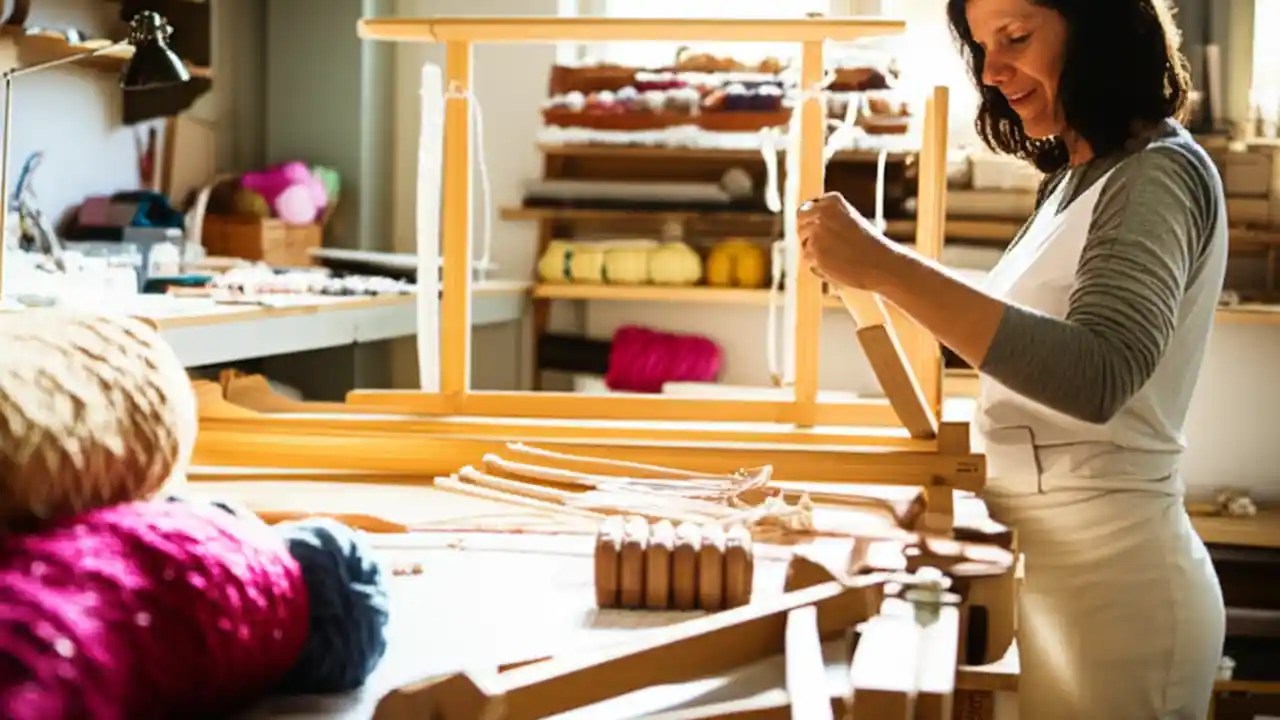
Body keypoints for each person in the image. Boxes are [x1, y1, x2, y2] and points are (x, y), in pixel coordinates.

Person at [798, 0, 1228, 717]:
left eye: (1017, 37)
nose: (994, 70)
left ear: (1096, 23)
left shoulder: (1155, 176)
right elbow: (1020, 354)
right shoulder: (1074, 180)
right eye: (982, 46)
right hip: (1051, 576)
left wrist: (886, 267)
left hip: (1120, 595)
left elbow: (1098, 374)